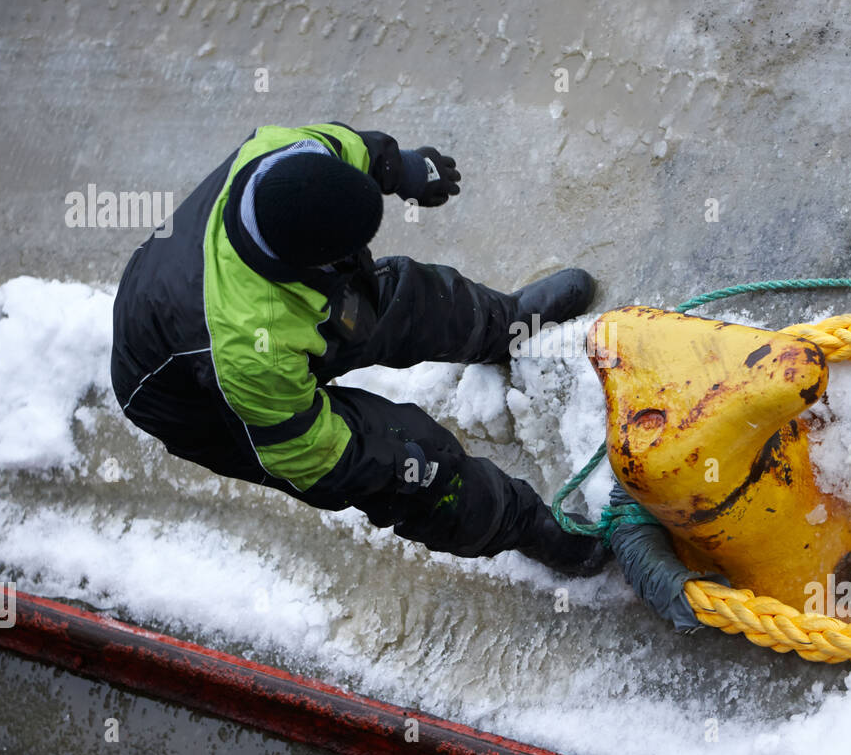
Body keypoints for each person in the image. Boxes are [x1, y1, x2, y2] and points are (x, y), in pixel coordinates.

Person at [110, 122, 608, 576]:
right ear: (312, 261)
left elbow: (347, 146)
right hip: (196, 399)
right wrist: (398, 467)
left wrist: (399, 166)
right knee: (415, 468)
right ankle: (524, 526)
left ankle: (506, 326)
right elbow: (313, 456)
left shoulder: (283, 155)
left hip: (245, 306)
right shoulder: (250, 352)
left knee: (401, 298)